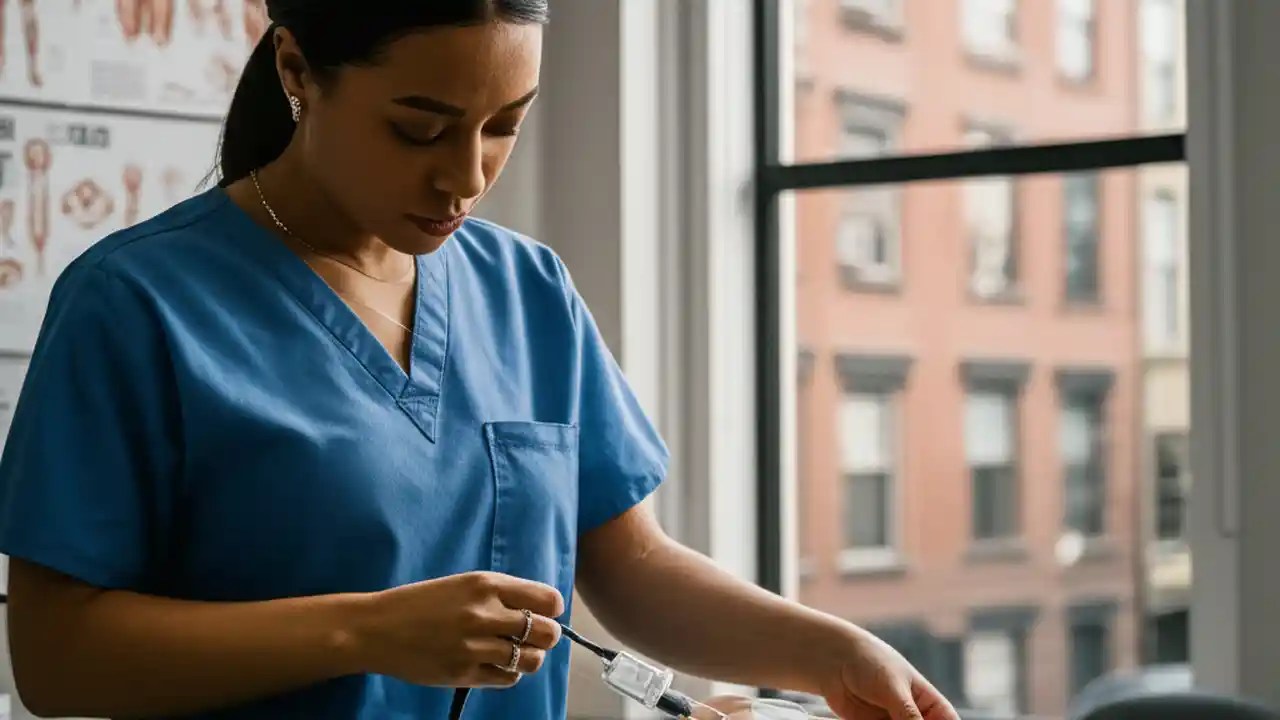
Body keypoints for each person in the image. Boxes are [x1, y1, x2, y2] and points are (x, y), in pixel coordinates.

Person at [0, 2, 960, 719]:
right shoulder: (137, 306)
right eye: (417, 128)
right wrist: (367, 632)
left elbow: (631, 567)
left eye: (504, 124)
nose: (465, 176)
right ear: (298, 66)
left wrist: (831, 653)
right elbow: (53, 659)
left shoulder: (527, 289)